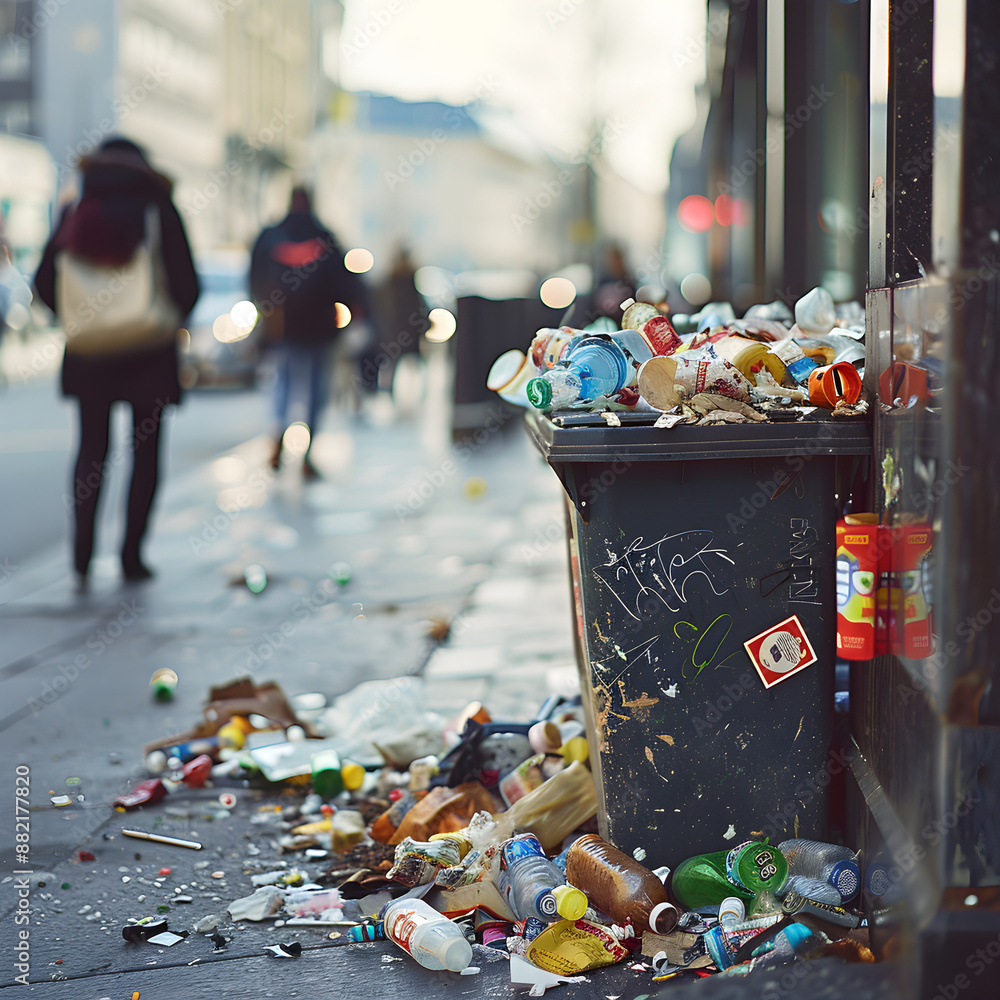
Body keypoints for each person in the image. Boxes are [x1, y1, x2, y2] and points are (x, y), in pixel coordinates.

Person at [35, 138, 198, 588]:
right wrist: (167, 314)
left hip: (90, 355)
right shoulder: (158, 208)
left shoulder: (77, 208)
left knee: (91, 450)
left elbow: (44, 280)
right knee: (145, 454)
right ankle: (132, 555)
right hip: (149, 352)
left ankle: (82, 554)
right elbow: (187, 283)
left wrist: (78, 315)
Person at [250, 187, 364, 477]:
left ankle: (277, 437)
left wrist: (264, 311)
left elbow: (254, 278)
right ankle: (306, 452)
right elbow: (346, 283)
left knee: (282, 383)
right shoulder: (325, 238)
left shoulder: (271, 236)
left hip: (282, 327)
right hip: (317, 328)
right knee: (314, 390)